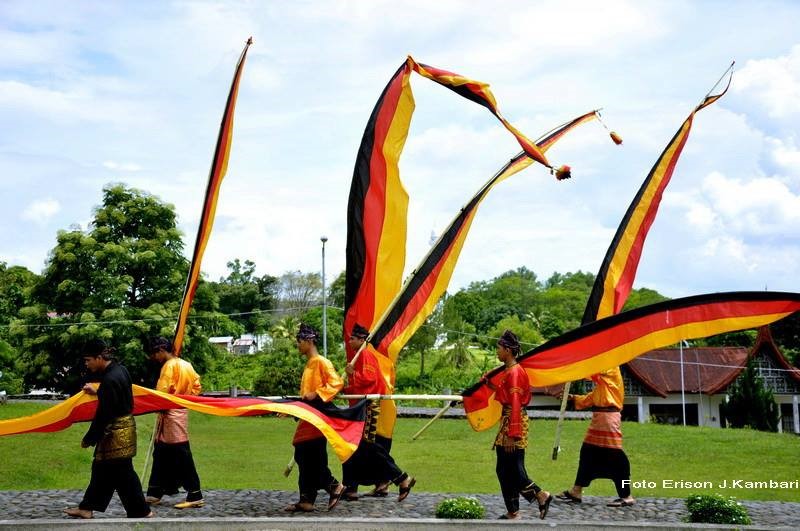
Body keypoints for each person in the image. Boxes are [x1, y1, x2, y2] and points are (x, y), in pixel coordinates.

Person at [64, 339, 153, 519]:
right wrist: (98, 391)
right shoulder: (120, 370)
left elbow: (105, 413)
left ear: (99, 358)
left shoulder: (110, 379)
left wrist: (90, 438)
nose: (87, 364)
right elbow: (116, 397)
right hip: (123, 429)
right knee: (103, 469)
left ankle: (141, 511)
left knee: (122, 473)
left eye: (88, 360)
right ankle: (87, 507)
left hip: (115, 433)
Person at [341, 324, 415, 502]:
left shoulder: (365, 354)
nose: (349, 341)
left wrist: (353, 374)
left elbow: (369, 379)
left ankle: (401, 478)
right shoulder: (363, 355)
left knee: (367, 446)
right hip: (363, 407)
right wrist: (347, 386)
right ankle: (351, 487)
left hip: (368, 408)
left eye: (352, 338)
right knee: (354, 447)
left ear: (361, 339)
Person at [489, 330, 552, 520]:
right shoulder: (510, 371)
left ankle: (541, 495)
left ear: (508, 350)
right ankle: (513, 510)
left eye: (499, 349)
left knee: (514, 468)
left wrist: (512, 433)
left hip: (513, 423)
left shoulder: (515, 372)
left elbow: (515, 403)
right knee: (505, 469)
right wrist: (488, 383)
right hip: (509, 421)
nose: (497, 352)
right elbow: (505, 394)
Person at [285, 323, 346, 512]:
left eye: (300, 341)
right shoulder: (310, 364)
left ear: (309, 341)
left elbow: (336, 383)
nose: (298, 345)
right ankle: (307, 499)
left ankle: (333, 485)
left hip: (317, 416)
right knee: (307, 456)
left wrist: (317, 393)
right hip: (308, 415)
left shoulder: (321, 362)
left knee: (306, 454)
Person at [556, 366, 636, 507]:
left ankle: (627, 495)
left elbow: (591, 370)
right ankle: (576, 490)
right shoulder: (603, 385)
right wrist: (573, 398)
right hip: (600, 419)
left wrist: (572, 368)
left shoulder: (611, 367)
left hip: (608, 420)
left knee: (615, 455)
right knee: (588, 453)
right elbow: (593, 398)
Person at [144, 336, 204, 509]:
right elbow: (197, 387)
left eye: (154, 353)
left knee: (181, 452)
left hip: (169, 412)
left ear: (162, 350)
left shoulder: (168, 367)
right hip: (181, 409)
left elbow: (161, 393)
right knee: (161, 452)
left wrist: (158, 405)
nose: (153, 358)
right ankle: (155, 491)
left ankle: (195, 493)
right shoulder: (187, 365)